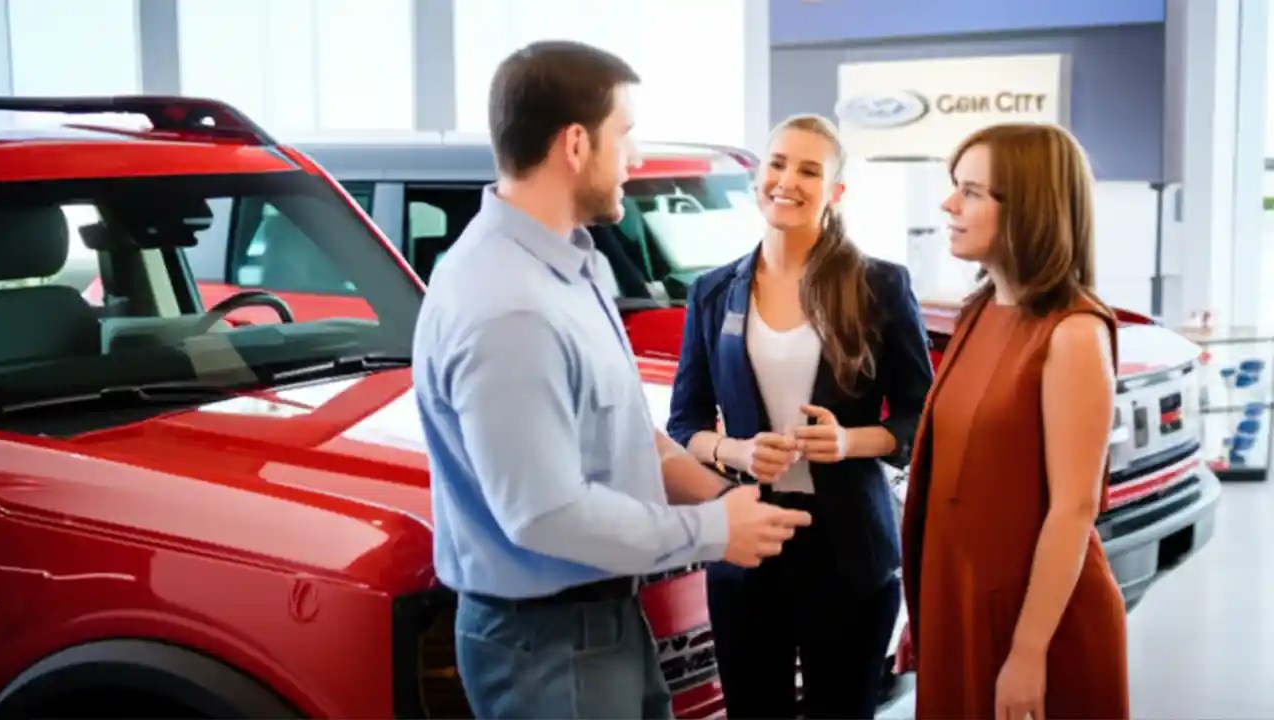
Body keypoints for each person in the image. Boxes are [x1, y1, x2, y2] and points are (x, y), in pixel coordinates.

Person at [410, 40, 813, 720]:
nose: (636, 158)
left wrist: (730, 499)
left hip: (604, 626)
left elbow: (628, 434)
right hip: (545, 645)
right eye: (624, 136)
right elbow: (546, 513)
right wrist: (711, 530)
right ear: (575, 144)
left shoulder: (577, 266)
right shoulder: (508, 307)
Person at [666, 113, 934, 719]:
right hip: (748, 540)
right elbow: (684, 422)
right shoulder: (714, 291)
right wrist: (733, 452)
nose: (788, 180)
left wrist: (848, 441)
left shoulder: (879, 285)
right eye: (778, 163)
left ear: (835, 192)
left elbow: (923, 418)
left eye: (810, 170)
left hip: (849, 549)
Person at [900, 123, 1130, 720]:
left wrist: (1029, 652)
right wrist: (928, 611)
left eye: (972, 192)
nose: (949, 205)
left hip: (1033, 621)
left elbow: (1073, 509)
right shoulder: (980, 311)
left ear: (1030, 208)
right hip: (964, 604)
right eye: (956, 187)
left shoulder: (1073, 334)